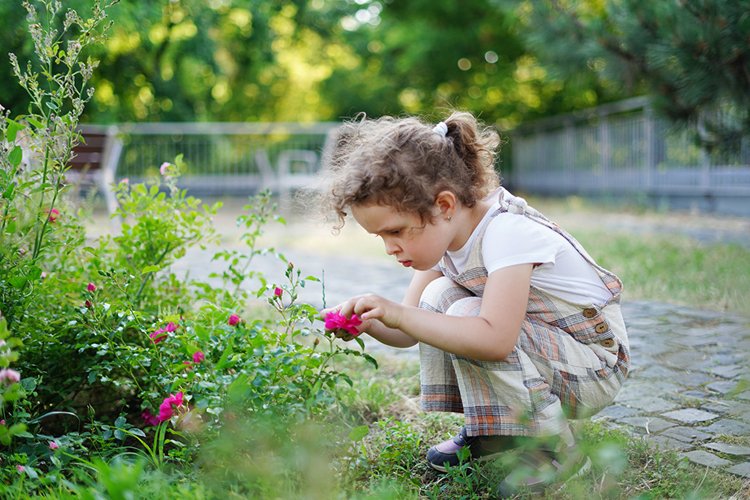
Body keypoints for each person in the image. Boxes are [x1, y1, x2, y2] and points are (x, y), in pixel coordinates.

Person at [317, 111, 630, 496]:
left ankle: (558, 451)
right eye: (380, 237)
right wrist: (374, 320)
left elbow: (495, 340)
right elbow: (409, 329)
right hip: (552, 352)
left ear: (445, 205)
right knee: (437, 297)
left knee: (470, 317)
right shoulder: (447, 238)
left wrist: (400, 314)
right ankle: (495, 432)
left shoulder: (506, 233)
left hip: (594, 366)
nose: (389, 248)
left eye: (395, 231)